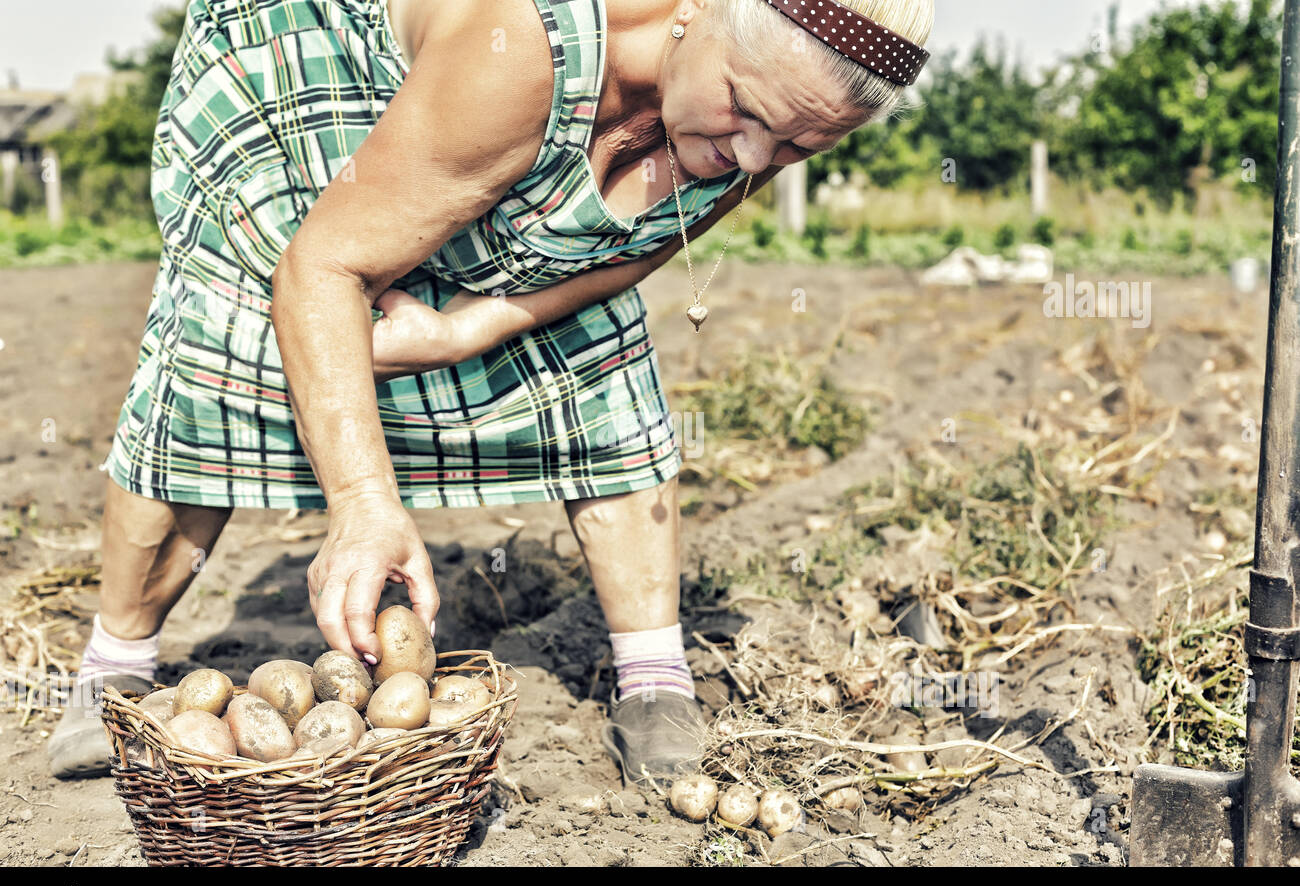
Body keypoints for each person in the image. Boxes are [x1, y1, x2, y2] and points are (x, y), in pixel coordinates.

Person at [49, 0, 934, 789]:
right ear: (694, 10)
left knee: (598, 352)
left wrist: (476, 325)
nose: (751, 157)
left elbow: (637, 242)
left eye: (796, 146)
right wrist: (363, 506)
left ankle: (656, 682)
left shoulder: (781, 104)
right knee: (239, 340)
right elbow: (321, 268)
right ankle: (113, 663)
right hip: (316, 55)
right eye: (744, 111)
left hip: (494, 121)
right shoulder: (521, 50)